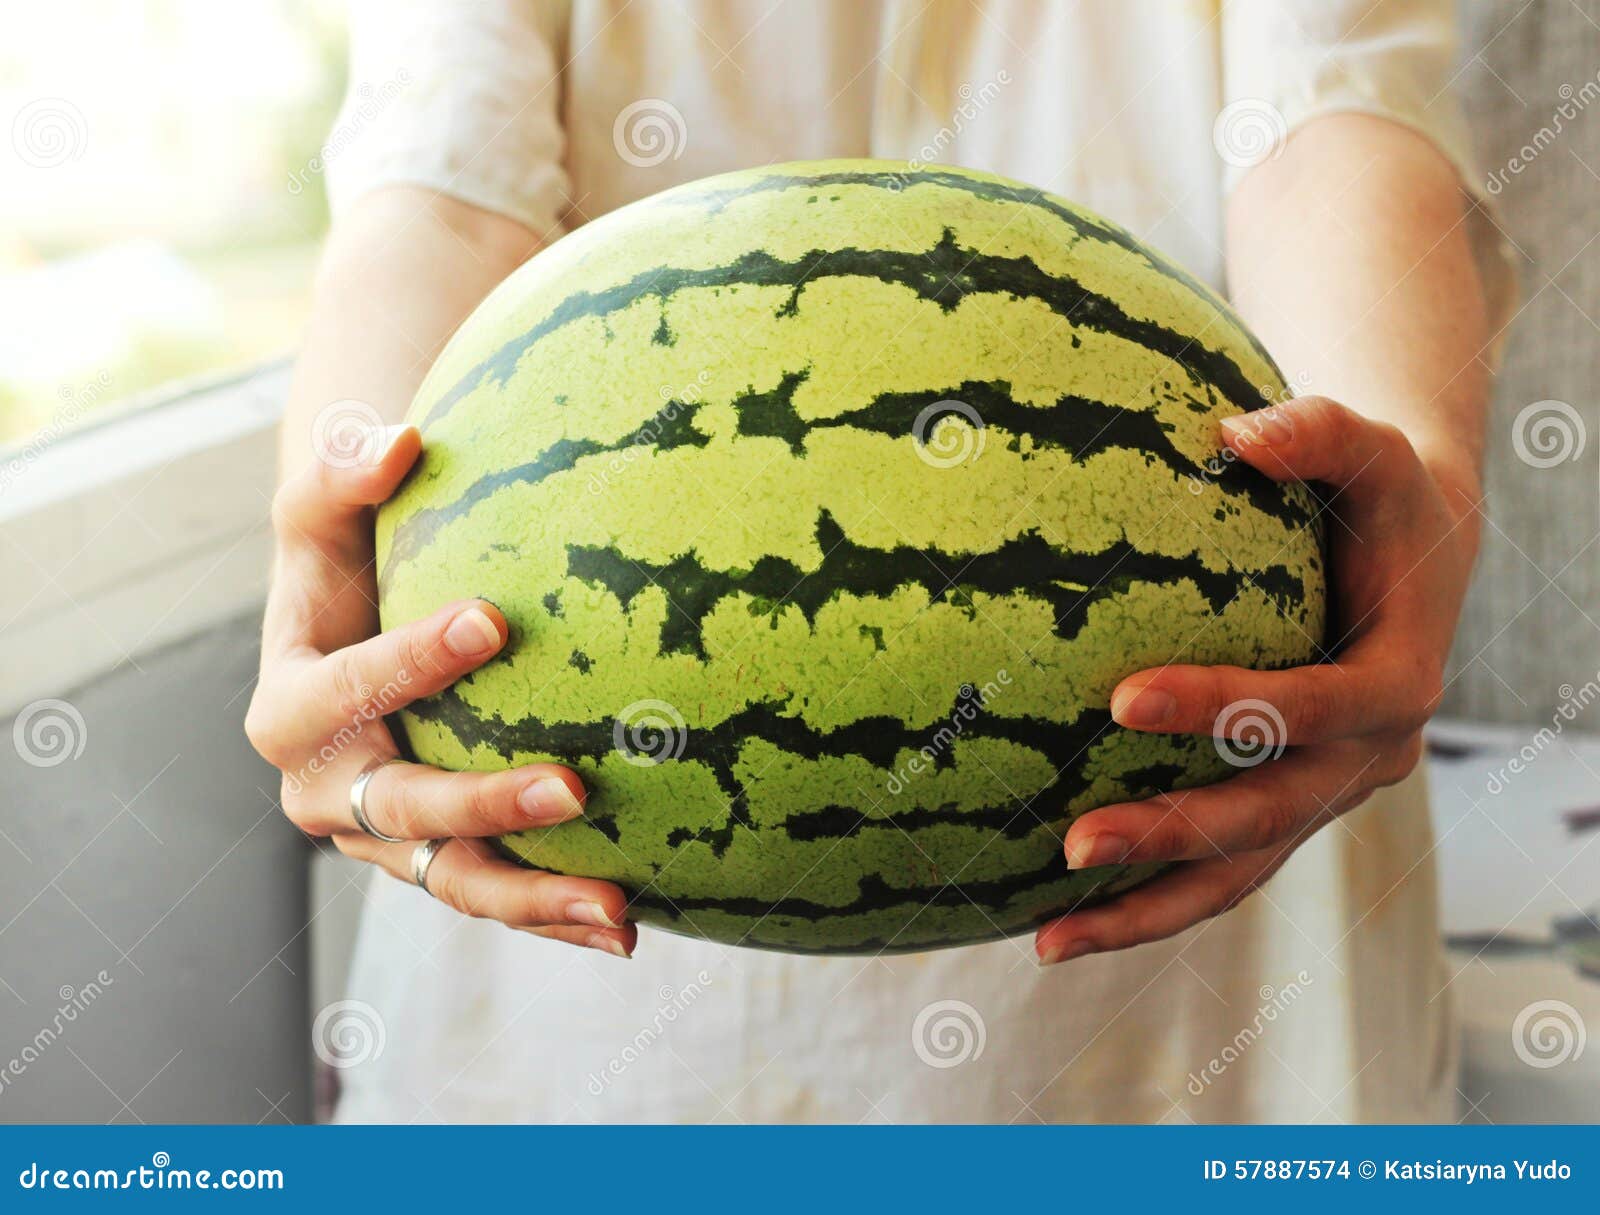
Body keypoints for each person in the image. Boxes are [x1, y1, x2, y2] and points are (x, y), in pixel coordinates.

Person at [246, 0, 1514, 1122]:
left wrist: (1398, 474)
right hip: (585, 968)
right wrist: (352, 550)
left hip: (1209, 908)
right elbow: (441, 184)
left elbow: (1328, 115)